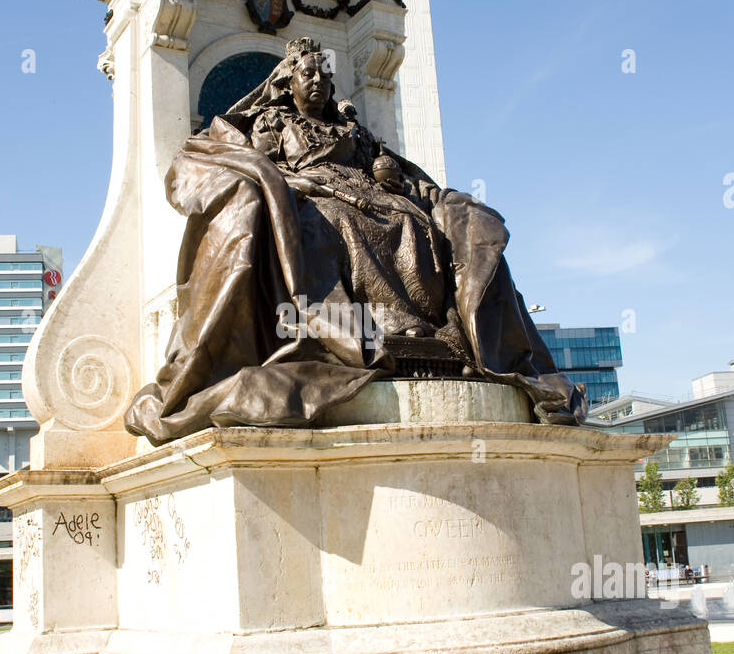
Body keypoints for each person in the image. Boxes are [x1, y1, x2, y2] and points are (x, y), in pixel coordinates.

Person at [126, 37, 587, 446]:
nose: (318, 83)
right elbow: (263, 170)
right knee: (335, 223)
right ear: (289, 82)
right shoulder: (274, 122)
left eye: (324, 76)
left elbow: (385, 164)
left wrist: (387, 172)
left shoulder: (350, 128)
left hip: (368, 191)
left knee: (413, 222)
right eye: (308, 75)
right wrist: (298, 185)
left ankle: (418, 325)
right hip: (312, 195)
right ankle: (366, 328)